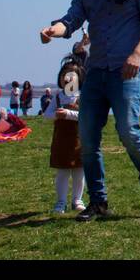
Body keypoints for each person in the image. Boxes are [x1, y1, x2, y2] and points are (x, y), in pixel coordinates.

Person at [39, 0, 140, 222]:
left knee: (128, 131)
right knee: (87, 138)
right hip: (95, 73)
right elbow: (69, 21)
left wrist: (137, 54)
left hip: (125, 72)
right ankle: (98, 201)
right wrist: (51, 31)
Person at [47, 62, 85, 214]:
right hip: (61, 141)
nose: (68, 79)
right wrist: (56, 114)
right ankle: (61, 202)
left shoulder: (83, 96)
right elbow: (46, 115)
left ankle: (77, 200)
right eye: (65, 75)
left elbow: (86, 116)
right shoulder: (57, 97)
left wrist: (68, 114)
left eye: (72, 76)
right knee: (62, 172)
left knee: (79, 171)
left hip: (79, 140)